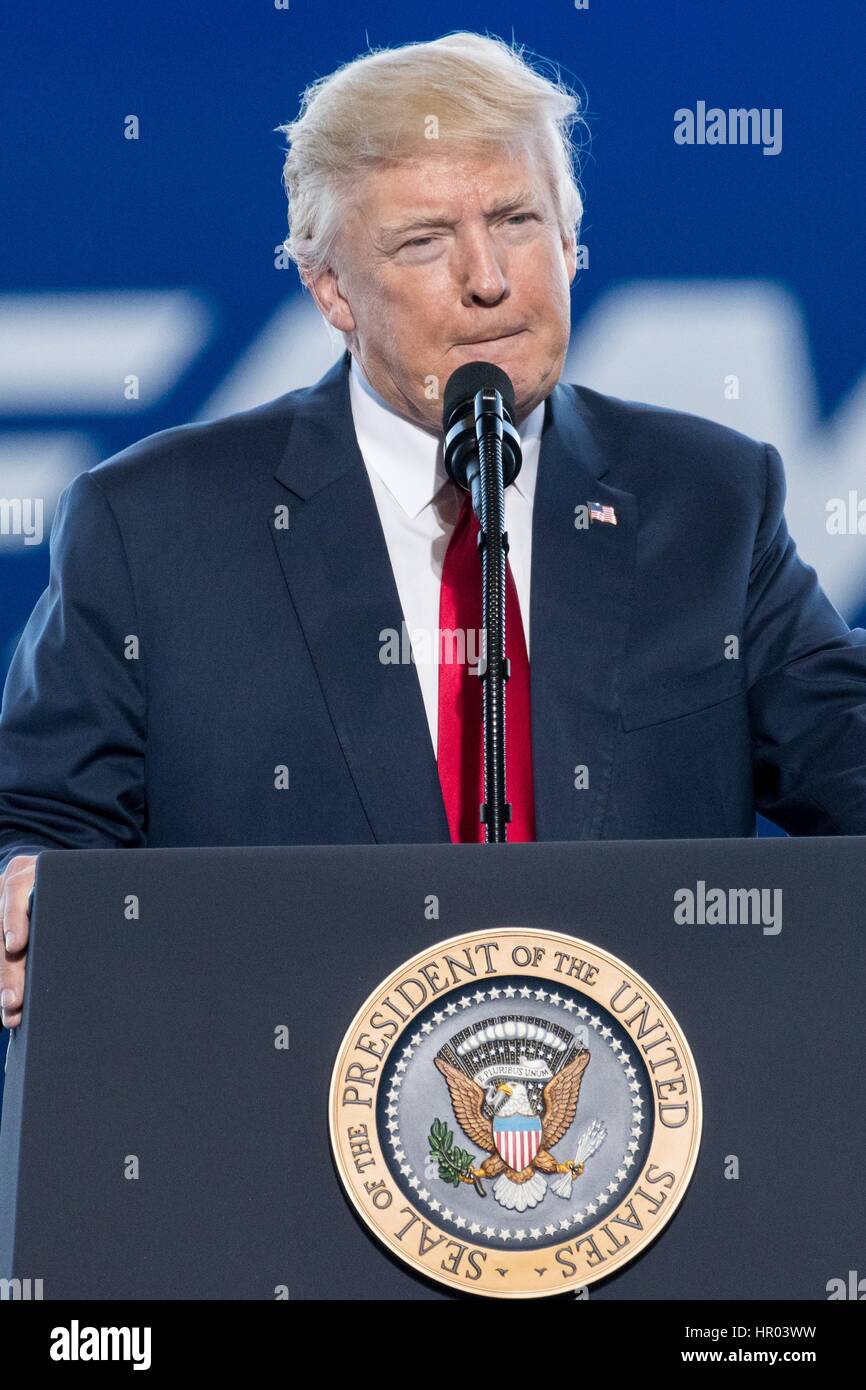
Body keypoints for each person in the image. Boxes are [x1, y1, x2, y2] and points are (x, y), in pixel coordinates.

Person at [2, 31, 866, 1032]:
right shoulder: (154, 524)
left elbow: (843, 763)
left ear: (572, 242)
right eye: (422, 242)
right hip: (272, 1127)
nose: (487, 278)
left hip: (647, 1127)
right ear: (329, 289)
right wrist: (26, 880)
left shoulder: (707, 498)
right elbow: (42, 823)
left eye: (515, 221)